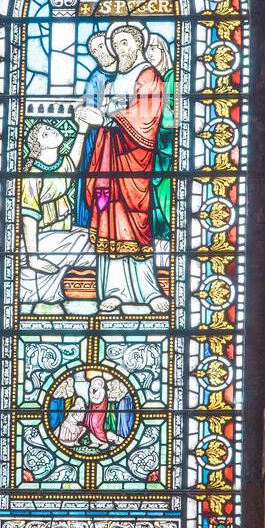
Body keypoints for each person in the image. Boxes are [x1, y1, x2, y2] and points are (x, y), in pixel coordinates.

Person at [74, 23, 168, 313]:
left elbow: (146, 116)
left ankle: (148, 290)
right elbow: (106, 115)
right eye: (116, 44)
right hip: (108, 159)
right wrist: (92, 118)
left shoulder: (149, 76)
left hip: (134, 161)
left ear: (139, 44)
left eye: (125, 43)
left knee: (136, 223)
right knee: (108, 219)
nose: (119, 49)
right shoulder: (114, 80)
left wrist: (104, 120)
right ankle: (112, 290)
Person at [19, 119, 94, 311]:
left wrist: (82, 130)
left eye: (51, 128)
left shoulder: (59, 166)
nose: (53, 131)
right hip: (42, 239)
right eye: (45, 133)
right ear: (39, 145)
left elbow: (73, 161)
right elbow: (29, 220)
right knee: (91, 240)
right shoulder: (33, 175)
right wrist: (33, 258)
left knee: (97, 239)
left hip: (63, 234)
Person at [75, 33, 117, 227]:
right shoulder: (95, 77)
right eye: (94, 50)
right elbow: (89, 103)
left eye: (101, 46)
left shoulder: (129, 74)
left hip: (117, 136)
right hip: (95, 136)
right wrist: (82, 113)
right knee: (92, 178)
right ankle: (89, 221)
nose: (99, 53)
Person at [147, 34, 174, 240]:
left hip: (167, 145)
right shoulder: (151, 80)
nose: (149, 55)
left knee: (165, 189)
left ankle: (169, 229)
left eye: (153, 50)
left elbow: (175, 117)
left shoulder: (172, 77)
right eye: (146, 51)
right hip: (152, 143)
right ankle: (159, 231)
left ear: (163, 51)